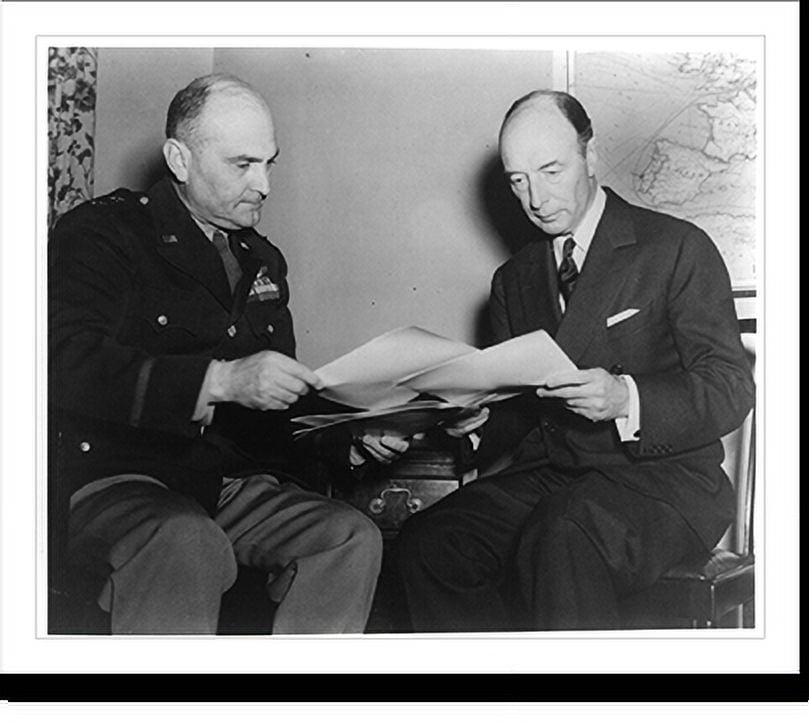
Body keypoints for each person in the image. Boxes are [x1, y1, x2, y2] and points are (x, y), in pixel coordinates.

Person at [48, 74, 409, 635]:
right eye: (243, 164)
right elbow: (63, 362)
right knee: (186, 537)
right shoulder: (102, 235)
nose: (264, 184)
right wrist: (217, 382)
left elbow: (274, 408)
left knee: (347, 536)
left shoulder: (262, 260)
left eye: (270, 163)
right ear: (179, 159)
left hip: (219, 480)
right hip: (112, 476)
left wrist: (352, 437)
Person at [397, 90, 755, 631]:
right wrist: (474, 421)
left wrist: (626, 398)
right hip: (557, 477)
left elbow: (731, 386)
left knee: (563, 532)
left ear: (590, 157)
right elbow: (518, 413)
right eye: (519, 181)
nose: (536, 198)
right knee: (431, 542)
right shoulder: (513, 281)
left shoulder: (676, 247)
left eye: (551, 171)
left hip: (664, 483)